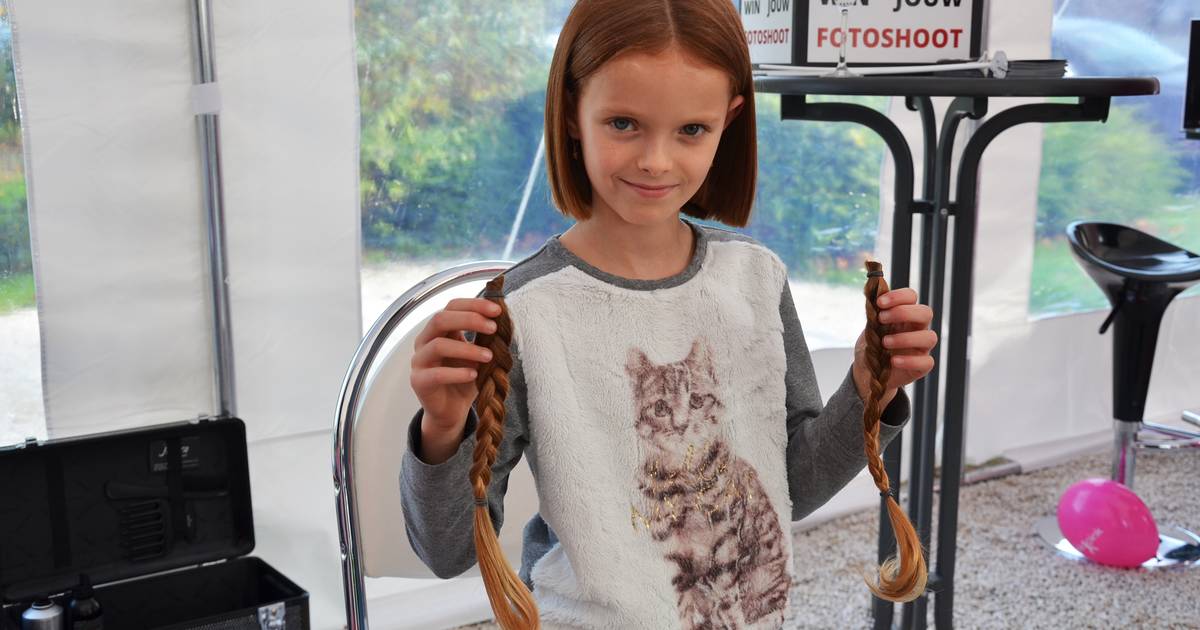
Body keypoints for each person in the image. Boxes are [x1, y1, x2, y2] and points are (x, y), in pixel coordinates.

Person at [401, 0, 936, 627]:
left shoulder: (756, 280)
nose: (656, 160)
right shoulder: (524, 314)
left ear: (729, 120)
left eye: (691, 130)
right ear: (573, 112)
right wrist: (442, 431)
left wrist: (868, 394)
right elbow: (450, 552)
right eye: (624, 123)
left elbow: (792, 488)